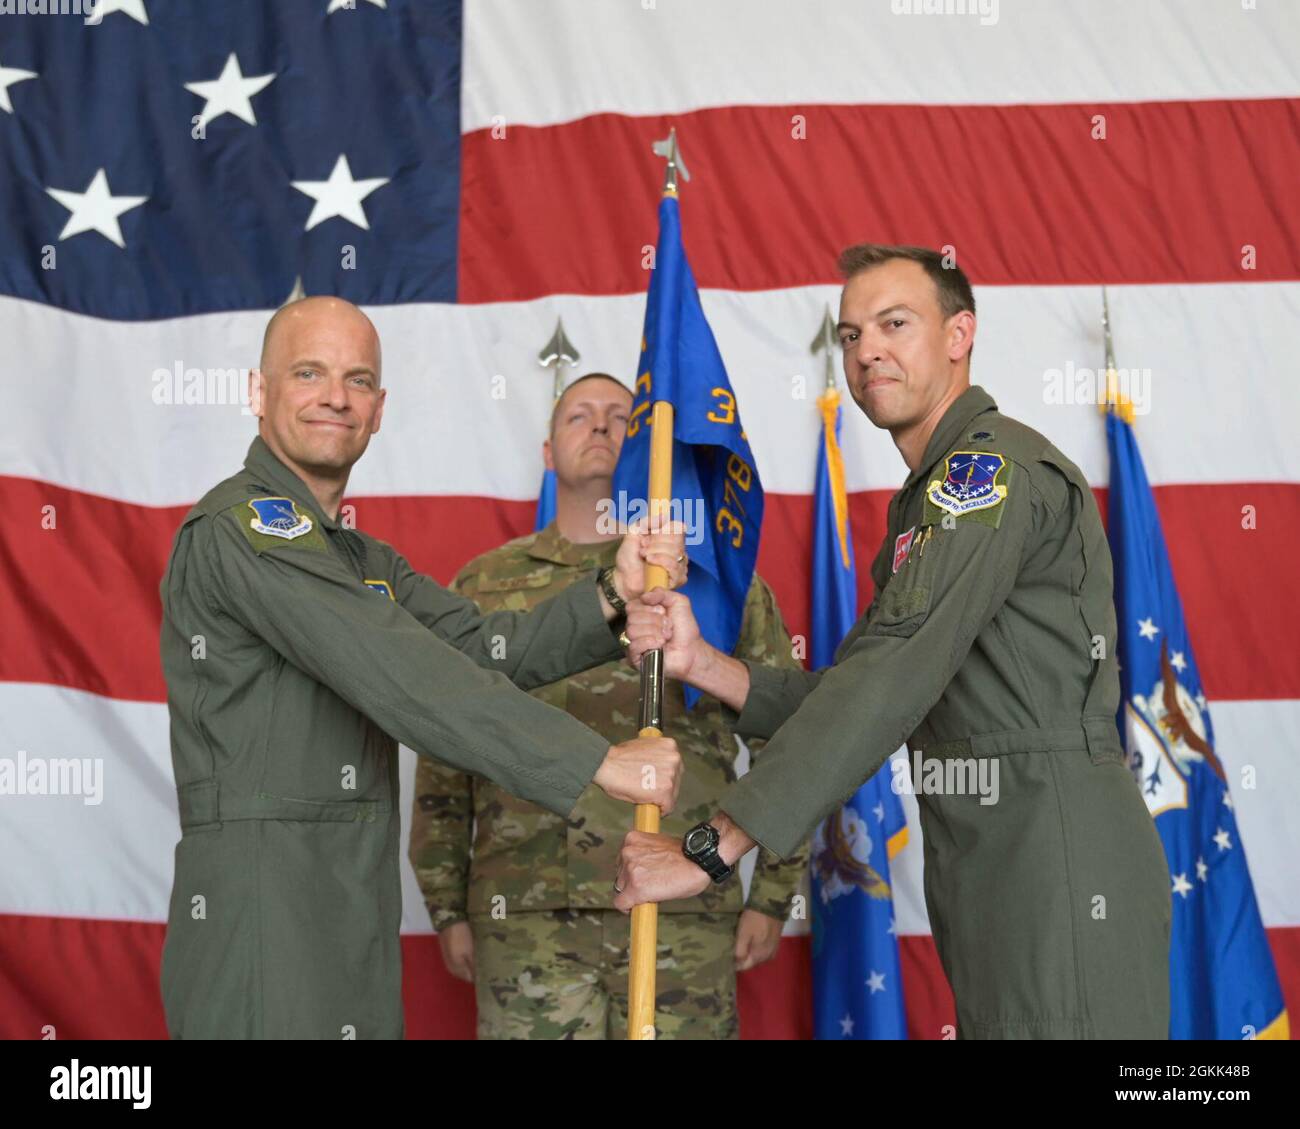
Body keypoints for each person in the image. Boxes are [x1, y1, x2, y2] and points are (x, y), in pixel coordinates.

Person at [616, 245, 1171, 1040]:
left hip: (1054, 852)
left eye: (894, 323)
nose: (865, 348)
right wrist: (705, 664)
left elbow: (889, 681)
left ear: (960, 334)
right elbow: (862, 688)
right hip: (997, 854)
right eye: (849, 334)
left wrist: (712, 847)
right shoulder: (929, 503)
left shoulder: (986, 473)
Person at [158, 297, 686, 1039]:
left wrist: (613, 593)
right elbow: (402, 671)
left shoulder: (360, 558)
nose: (335, 396)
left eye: (358, 379)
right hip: (262, 907)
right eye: (308, 372)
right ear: (259, 393)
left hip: (350, 899)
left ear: (378, 410)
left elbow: (483, 648)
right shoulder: (244, 528)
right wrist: (600, 761)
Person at [410, 372, 808, 1039]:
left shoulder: (713, 581)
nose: (599, 425)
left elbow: (788, 736)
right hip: (526, 918)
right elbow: (447, 751)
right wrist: (447, 906)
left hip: (684, 903)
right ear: (545, 451)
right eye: (578, 415)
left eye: (619, 416)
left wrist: (774, 890)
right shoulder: (485, 584)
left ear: (642, 447)